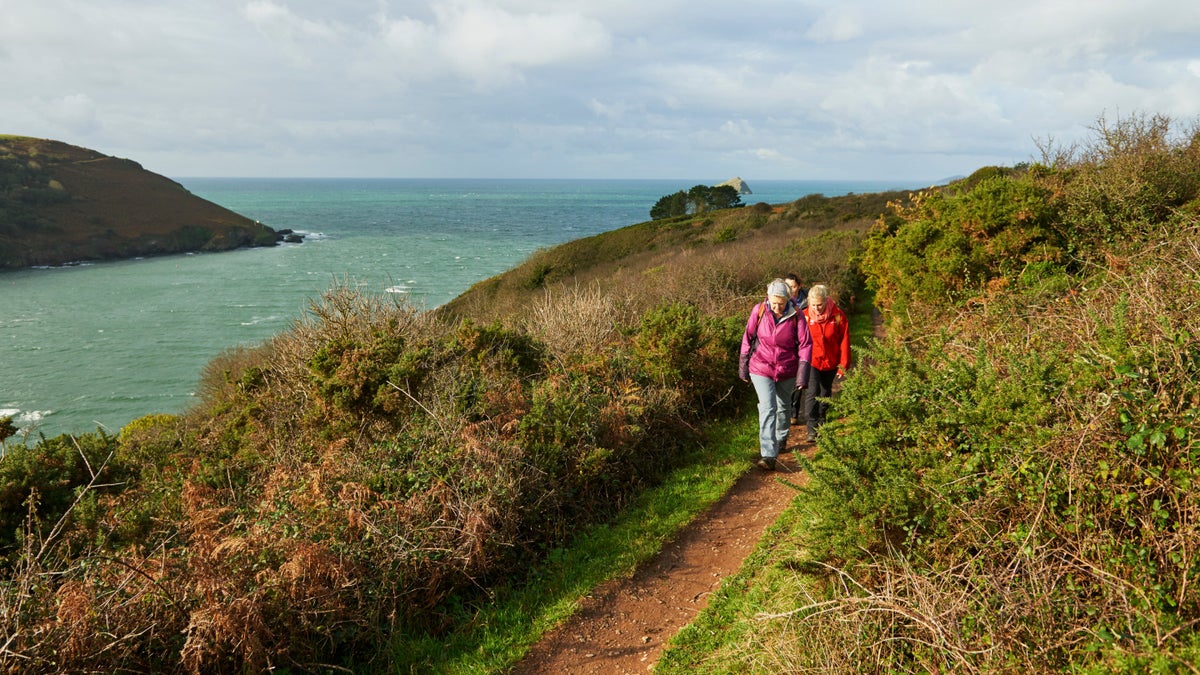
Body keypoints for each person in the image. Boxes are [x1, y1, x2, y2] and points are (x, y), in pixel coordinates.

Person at [738, 279, 812, 470]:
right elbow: (747, 338)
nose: (777, 307)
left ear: (788, 299)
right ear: (768, 298)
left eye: (781, 303)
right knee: (768, 407)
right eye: (774, 303)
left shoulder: (797, 315)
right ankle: (768, 455)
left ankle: (781, 437)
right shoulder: (759, 310)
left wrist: (802, 375)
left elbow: (805, 345)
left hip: (787, 368)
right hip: (761, 367)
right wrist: (743, 366)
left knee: (783, 406)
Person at [801, 284, 850, 442]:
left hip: (830, 360)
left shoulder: (838, 316)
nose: (817, 308)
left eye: (820, 305)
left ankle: (822, 418)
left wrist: (844, 364)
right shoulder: (804, 316)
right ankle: (811, 428)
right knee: (812, 391)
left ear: (826, 301)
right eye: (813, 305)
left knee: (825, 392)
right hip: (812, 361)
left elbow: (844, 341)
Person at [783, 273, 808, 424]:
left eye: (793, 286)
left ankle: (793, 413)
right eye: (788, 287)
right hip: (787, 346)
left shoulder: (807, 301)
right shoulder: (781, 302)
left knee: (798, 380)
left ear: (799, 286)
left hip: (803, 344)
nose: (791, 290)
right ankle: (786, 411)